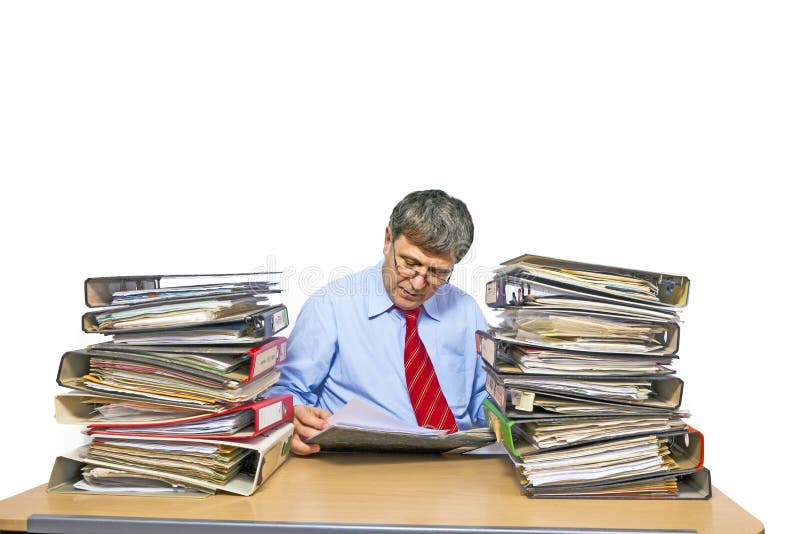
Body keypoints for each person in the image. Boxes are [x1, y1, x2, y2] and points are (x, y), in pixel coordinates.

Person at [268, 189, 488, 455]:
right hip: (357, 467)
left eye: (438, 273)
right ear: (388, 240)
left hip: (454, 467)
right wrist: (293, 416)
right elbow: (286, 390)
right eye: (409, 264)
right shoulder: (330, 306)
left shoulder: (467, 312)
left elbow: (483, 398)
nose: (418, 284)